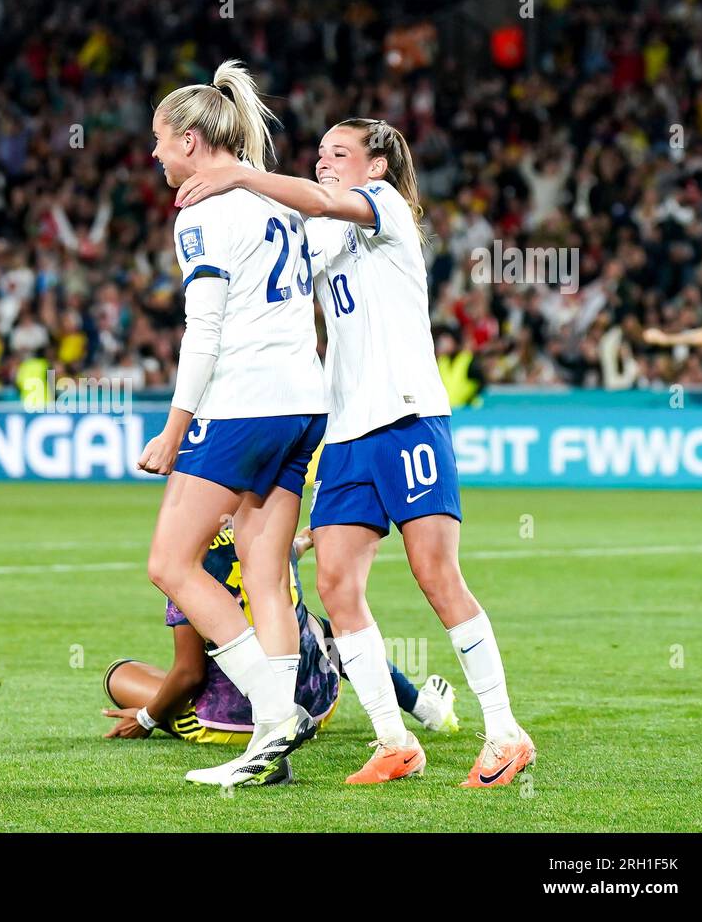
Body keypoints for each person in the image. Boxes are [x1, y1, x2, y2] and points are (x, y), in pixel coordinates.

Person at [175, 118, 533, 788]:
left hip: (406, 418)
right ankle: (395, 740)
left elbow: (316, 200)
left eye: (339, 154)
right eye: (319, 153)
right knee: (337, 584)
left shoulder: (384, 208)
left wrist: (242, 172)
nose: (323, 163)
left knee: (435, 574)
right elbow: (277, 244)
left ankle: (505, 732)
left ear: (376, 167)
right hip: (344, 434)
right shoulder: (321, 229)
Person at [138, 60, 329, 788]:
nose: (154, 154)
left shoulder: (203, 210)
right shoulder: (272, 199)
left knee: (170, 563)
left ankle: (271, 712)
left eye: (159, 140)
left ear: (189, 139)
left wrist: (175, 426)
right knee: (266, 575)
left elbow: (204, 330)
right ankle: (270, 746)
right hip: (302, 399)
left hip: (244, 401)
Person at [102, 526, 459, 771]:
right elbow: (287, 551)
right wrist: (304, 539)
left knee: (120, 675)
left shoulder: (186, 562)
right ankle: (422, 706)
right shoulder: (269, 532)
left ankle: (242, 729)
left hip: (235, 724)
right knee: (330, 632)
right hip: (316, 704)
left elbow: (190, 674)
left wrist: (147, 717)